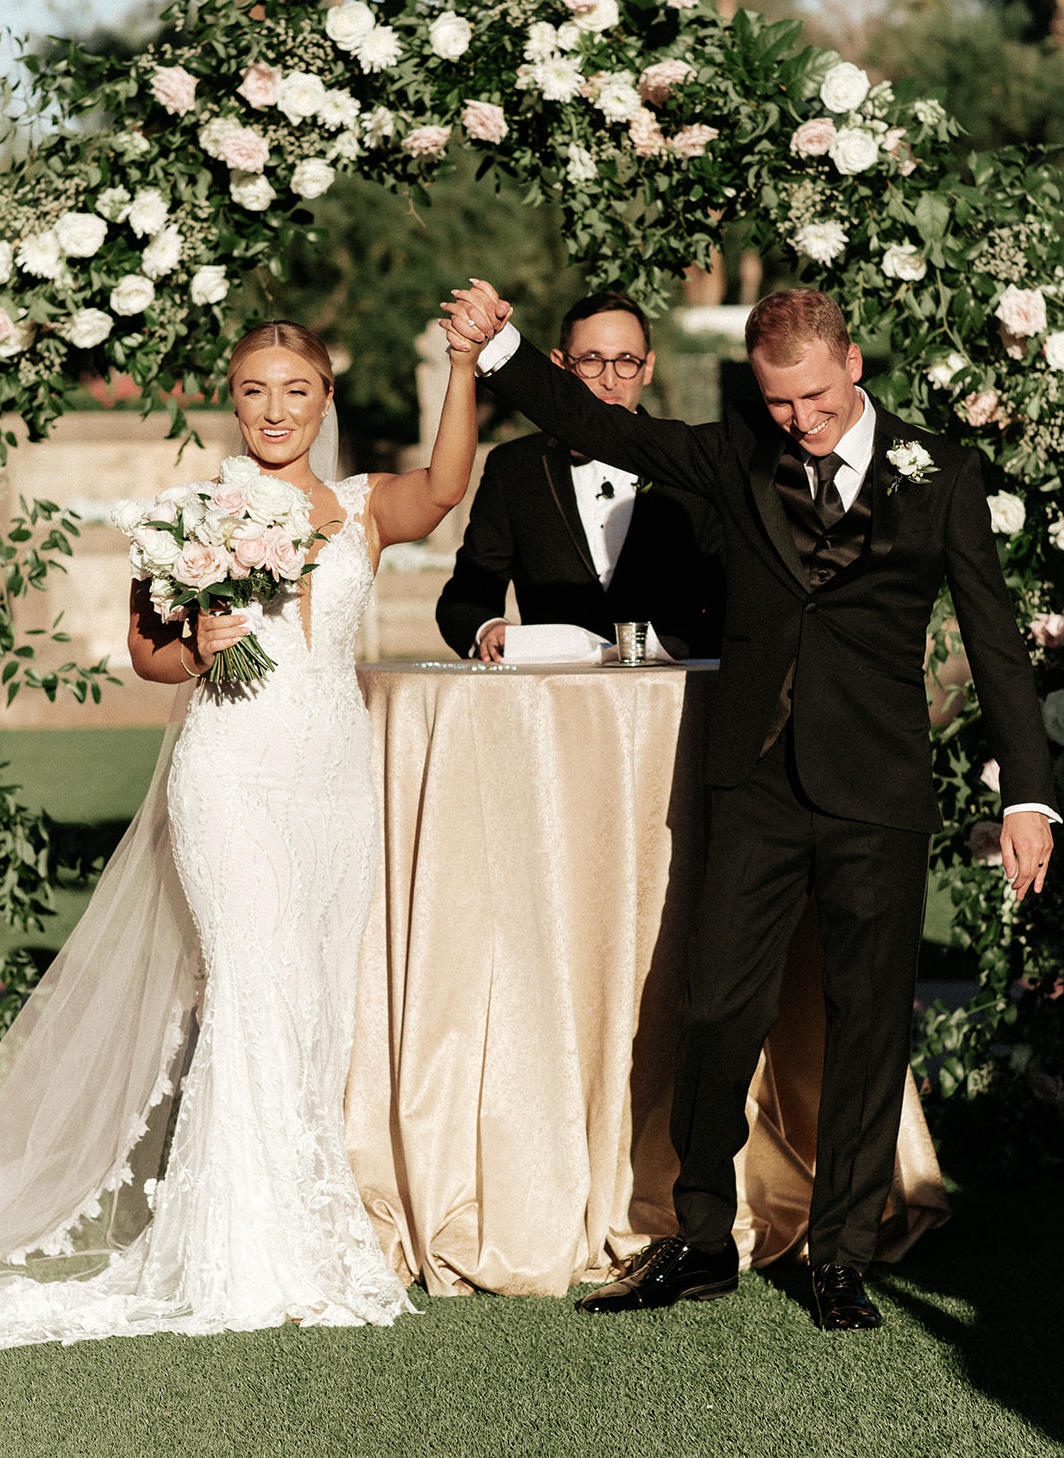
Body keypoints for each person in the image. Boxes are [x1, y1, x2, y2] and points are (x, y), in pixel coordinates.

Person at [442, 281, 1057, 1331]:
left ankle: (840, 1253)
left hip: (875, 790)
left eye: (812, 399)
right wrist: (496, 350)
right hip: (755, 783)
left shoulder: (939, 474)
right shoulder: (733, 456)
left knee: (866, 1021)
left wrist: (1031, 797)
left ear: (849, 363)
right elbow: (592, 421)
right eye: (777, 404)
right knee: (715, 1008)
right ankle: (697, 1234)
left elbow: (993, 641)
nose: (798, 422)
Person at [0, 317, 481, 1346]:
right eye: (255, 390)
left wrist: (461, 361)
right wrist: (199, 642)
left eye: (294, 390)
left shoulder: (360, 509)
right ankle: (254, 1254)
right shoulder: (186, 511)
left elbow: (442, 486)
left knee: (316, 1005)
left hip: (335, 781)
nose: (273, 409)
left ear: (323, 399)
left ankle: (303, 1229)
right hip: (232, 776)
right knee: (257, 992)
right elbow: (146, 653)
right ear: (234, 398)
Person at [436, 292, 723, 661]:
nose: (609, 380)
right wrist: (487, 628)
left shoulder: (692, 465)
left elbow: (733, 599)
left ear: (648, 367)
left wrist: (686, 642)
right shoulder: (514, 469)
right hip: (553, 700)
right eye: (590, 361)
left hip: (674, 698)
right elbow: (464, 599)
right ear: (559, 364)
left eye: (626, 361)